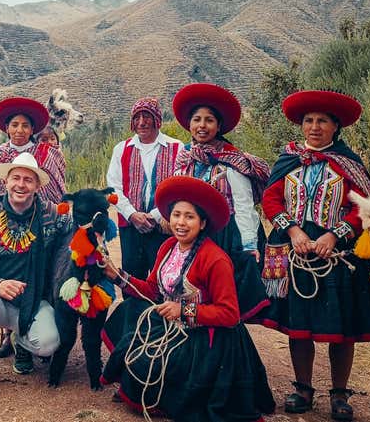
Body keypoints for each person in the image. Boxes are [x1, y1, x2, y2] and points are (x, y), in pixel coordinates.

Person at [101, 176, 275, 420]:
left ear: (203, 223)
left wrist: (184, 311)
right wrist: (118, 276)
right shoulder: (168, 247)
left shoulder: (215, 259)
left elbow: (229, 314)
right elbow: (152, 290)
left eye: (189, 217)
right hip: (175, 325)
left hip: (207, 338)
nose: (180, 223)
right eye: (176, 215)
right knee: (129, 313)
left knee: (158, 364)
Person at [259, 90, 370, 420]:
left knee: (339, 326)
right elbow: (271, 201)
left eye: (322, 121)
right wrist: (293, 231)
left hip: (337, 254)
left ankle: (340, 394)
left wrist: (335, 233)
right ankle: (303, 388)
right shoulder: (288, 160)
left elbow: (362, 209)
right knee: (299, 325)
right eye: (309, 121)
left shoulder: (349, 165)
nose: (314, 127)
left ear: (335, 127)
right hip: (297, 250)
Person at [0, 152, 68, 390]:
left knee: (48, 344)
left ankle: (20, 340)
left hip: (34, 301)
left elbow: (75, 234)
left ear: (37, 186)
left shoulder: (51, 215)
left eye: (28, 180)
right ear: (6, 182)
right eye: (16, 178)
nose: (21, 185)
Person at [172, 83, 270, 320]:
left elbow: (244, 205)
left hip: (227, 236)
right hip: (193, 234)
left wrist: (249, 246)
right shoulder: (185, 158)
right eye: (197, 119)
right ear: (189, 124)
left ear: (218, 126)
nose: (202, 126)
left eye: (209, 120)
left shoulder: (232, 161)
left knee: (222, 302)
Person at [107, 97, 183, 278]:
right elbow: (114, 187)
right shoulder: (122, 148)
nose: (141, 122)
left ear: (157, 119)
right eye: (137, 118)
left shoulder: (176, 147)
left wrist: (154, 215)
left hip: (163, 225)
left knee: (164, 276)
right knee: (132, 278)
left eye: (147, 116)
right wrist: (133, 215)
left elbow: (179, 186)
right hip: (130, 226)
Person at [0, 97, 66, 205]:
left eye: (25, 126)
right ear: (7, 128)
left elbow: (58, 186)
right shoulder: (0, 155)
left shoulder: (47, 153)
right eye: (14, 125)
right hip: (9, 214)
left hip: (46, 215)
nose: (20, 130)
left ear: (32, 130)